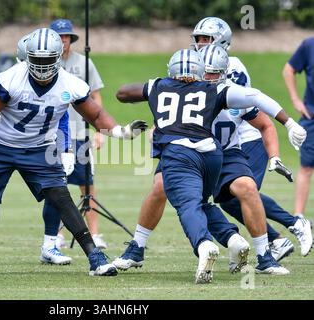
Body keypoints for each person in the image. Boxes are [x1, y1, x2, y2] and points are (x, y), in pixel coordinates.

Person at [0, 28, 147, 276]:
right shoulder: (11, 78)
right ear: (27, 57)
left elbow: (96, 114)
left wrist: (120, 131)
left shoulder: (70, 84)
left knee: (61, 198)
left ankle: (95, 257)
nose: (42, 66)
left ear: (58, 58)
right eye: (37, 60)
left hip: (38, 148)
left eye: (47, 60)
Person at [112, 17, 312, 273]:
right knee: (164, 188)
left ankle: (265, 254)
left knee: (246, 189)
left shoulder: (228, 87)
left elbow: (257, 104)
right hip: (187, 150)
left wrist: (286, 129)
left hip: (225, 151)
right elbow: (145, 98)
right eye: (200, 40)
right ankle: (137, 248)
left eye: (215, 72)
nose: (208, 76)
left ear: (225, 72)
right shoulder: (182, 80)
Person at [0, 33, 74, 267]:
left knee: (55, 191)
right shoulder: (11, 79)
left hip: (37, 146)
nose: (38, 69)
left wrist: (66, 149)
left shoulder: (56, 82)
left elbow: (61, 116)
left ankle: (50, 245)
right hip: (1, 142)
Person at [50, 18, 108, 249]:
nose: (64, 41)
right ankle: (56, 234)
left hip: (80, 132)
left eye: (66, 37)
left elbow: (96, 97)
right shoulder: (43, 63)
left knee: (88, 185)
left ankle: (94, 233)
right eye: (59, 37)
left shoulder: (84, 63)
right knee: (56, 186)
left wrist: (100, 130)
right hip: (55, 134)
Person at [283, 37, 314, 222]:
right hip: (311, 117)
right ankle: (299, 217)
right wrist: (295, 100)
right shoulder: (309, 45)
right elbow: (288, 70)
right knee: (306, 167)